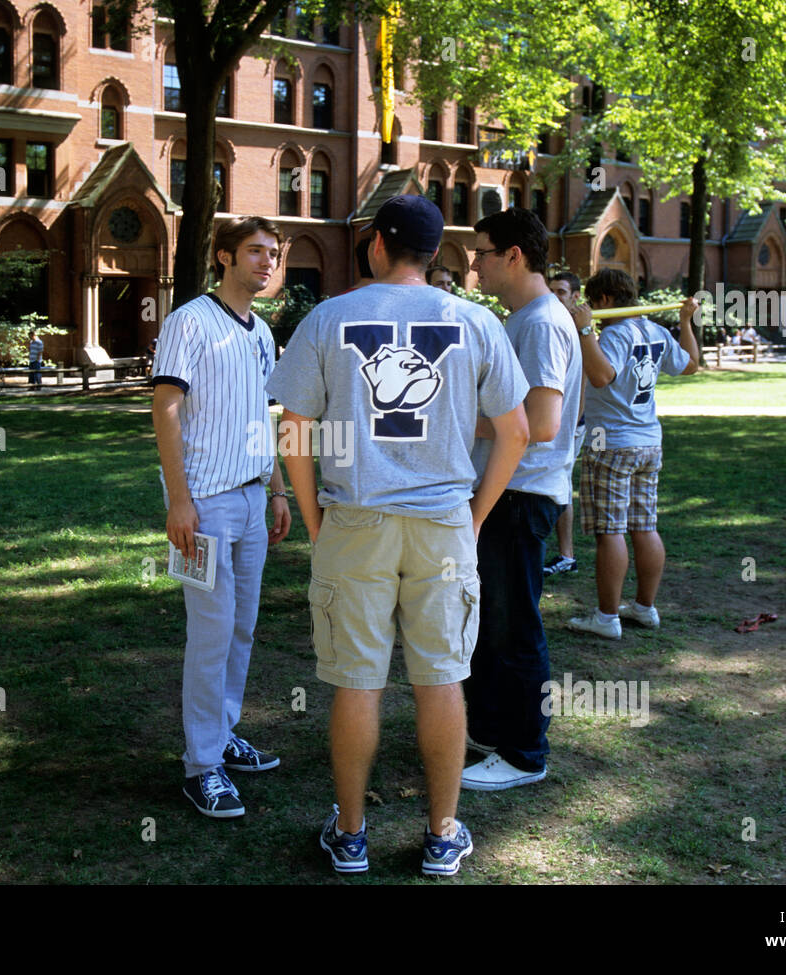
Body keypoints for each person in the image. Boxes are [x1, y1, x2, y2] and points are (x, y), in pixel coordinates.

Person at [268, 194, 529, 876]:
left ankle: (350, 832)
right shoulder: (476, 321)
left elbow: (292, 426)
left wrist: (315, 516)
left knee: (357, 682)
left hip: (355, 520)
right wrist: (471, 517)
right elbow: (519, 432)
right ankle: (443, 833)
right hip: (442, 522)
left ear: (379, 245)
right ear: (434, 252)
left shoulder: (327, 316)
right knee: (442, 679)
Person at [151, 215, 293, 819]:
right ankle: (201, 765)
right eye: (256, 251)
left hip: (253, 499)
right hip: (203, 504)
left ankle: (223, 732)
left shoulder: (262, 332)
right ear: (224, 258)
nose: (267, 262)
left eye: (274, 253)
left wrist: (279, 488)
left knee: (241, 627)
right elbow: (165, 410)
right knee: (210, 635)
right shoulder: (188, 321)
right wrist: (178, 500)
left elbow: (266, 410)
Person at [461, 207, 583, 793]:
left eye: (480, 252)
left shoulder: (538, 323)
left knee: (515, 627)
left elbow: (540, 422)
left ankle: (524, 752)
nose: (473, 266)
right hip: (506, 490)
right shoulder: (524, 319)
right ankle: (490, 728)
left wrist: (455, 420)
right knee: (492, 621)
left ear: (513, 254)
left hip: (519, 492)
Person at [568, 271, 700, 640]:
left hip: (610, 443)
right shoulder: (654, 330)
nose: (590, 310)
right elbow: (691, 363)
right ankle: (644, 607)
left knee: (609, 531)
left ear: (606, 300)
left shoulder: (613, 333)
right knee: (644, 525)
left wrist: (584, 331)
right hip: (648, 443)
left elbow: (601, 376)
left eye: (592, 303)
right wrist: (686, 322)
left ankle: (607, 617)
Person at [544, 271, 585, 579]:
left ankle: (567, 554)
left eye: (560, 292)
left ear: (575, 298)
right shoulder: (548, 323)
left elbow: (581, 385)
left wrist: (570, 427)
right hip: (550, 421)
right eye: (551, 290)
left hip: (569, 424)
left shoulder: (578, 330)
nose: (554, 296)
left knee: (560, 485)